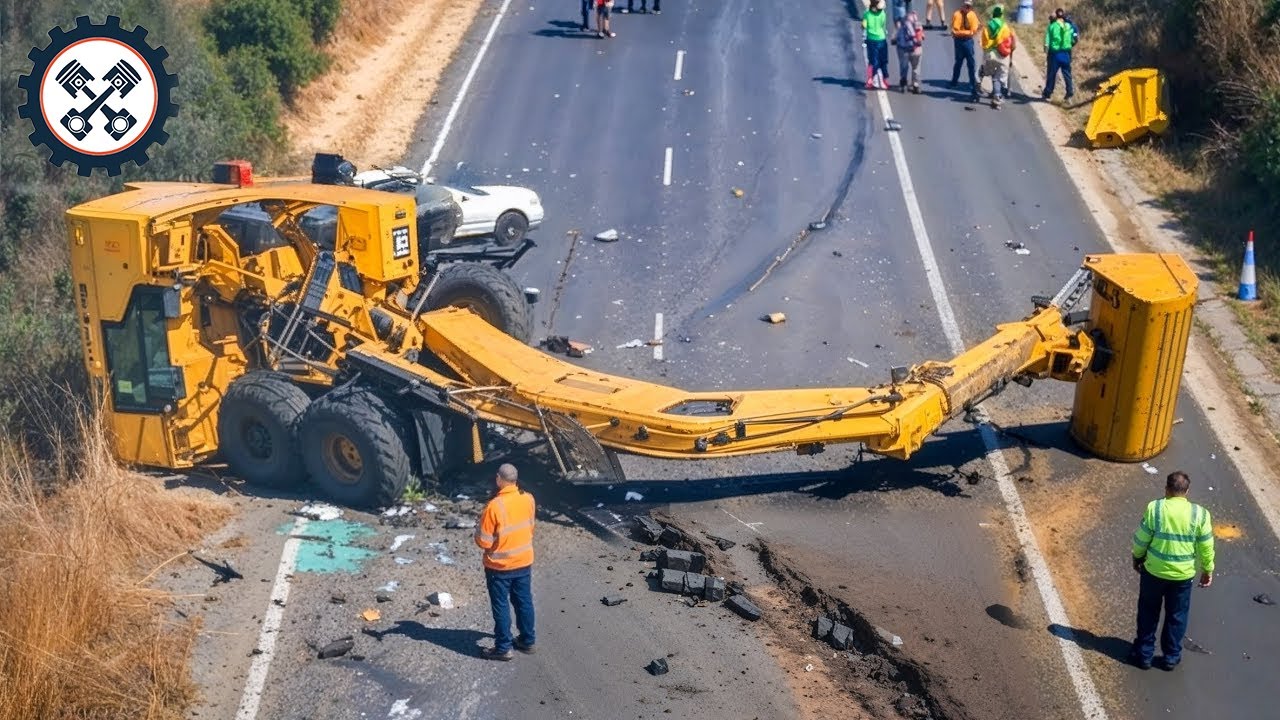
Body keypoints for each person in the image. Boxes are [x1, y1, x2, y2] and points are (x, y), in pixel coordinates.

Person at [1129, 471, 1215, 671]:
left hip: (1153, 573)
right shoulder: (1200, 514)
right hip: (1182, 577)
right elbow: (1206, 546)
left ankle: (1143, 655)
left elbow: (1141, 540)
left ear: (1166, 489)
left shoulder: (1155, 508)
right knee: (1177, 615)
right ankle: (1171, 657)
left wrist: (1137, 558)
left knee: (1148, 611)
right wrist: (1207, 569)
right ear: (1187, 491)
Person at [475, 463, 538, 660]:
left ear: (498, 479)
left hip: (499, 568)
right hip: (523, 561)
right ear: (515, 480)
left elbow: (484, 541)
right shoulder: (528, 499)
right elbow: (530, 527)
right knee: (524, 601)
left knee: (501, 605)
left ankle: (503, 648)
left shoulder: (493, 507)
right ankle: (527, 641)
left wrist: (477, 533)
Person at [979, 4, 1016, 108]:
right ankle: (996, 96)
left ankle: (979, 80)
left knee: (988, 72)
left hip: (990, 54)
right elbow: (1012, 43)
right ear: (1001, 14)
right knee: (998, 78)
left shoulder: (988, 25)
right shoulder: (1006, 27)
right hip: (1003, 55)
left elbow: (984, 42)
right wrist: (1010, 53)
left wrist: (988, 49)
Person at [1042, 8, 1076, 101]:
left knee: (1052, 74)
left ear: (1056, 16)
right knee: (1067, 74)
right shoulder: (1069, 26)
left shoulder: (1052, 26)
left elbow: (1047, 42)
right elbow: (1074, 39)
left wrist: (1045, 50)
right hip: (1066, 53)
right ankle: (1069, 92)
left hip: (1055, 54)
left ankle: (1048, 93)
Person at [949, 0, 980, 101]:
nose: (967, 8)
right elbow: (954, 30)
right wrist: (966, 33)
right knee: (958, 62)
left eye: (969, 6)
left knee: (971, 65)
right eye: (965, 6)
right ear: (962, 5)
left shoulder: (972, 16)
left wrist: (961, 33)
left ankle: (972, 88)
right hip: (959, 42)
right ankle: (954, 81)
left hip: (967, 42)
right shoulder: (957, 15)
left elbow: (973, 31)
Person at [894, 10, 924, 93]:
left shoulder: (901, 26)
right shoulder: (918, 25)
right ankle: (915, 85)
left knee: (904, 67)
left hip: (903, 50)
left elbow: (895, 38)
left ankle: (903, 83)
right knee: (916, 68)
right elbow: (922, 37)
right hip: (917, 50)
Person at [863, 0, 890, 89]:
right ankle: (885, 80)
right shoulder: (882, 14)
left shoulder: (866, 14)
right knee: (883, 61)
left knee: (872, 61)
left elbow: (864, 26)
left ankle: (870, 79)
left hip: (871, 40)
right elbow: (883, 26)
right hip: (882, 39)